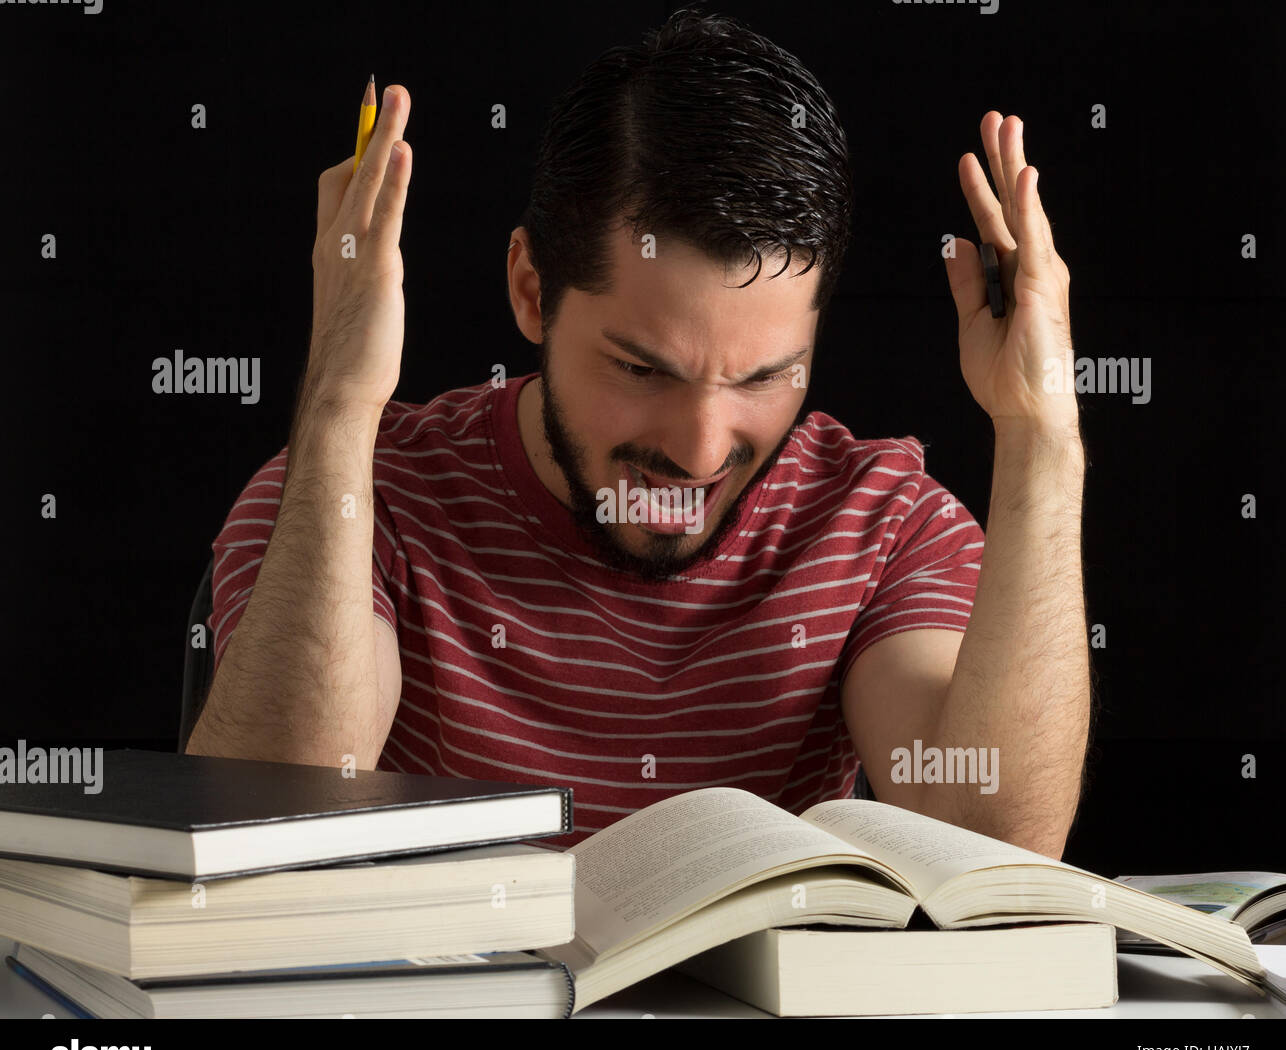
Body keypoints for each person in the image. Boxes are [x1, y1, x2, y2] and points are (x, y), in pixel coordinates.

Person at [187, 11, 1088, 859]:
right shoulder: (352, 499)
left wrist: (1042, 435)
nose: (700, 450)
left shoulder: (880, 525)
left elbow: (995, 842)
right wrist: (340, 404)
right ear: (532, 291)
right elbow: (266, 836)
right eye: (643, 369)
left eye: (763, 377)